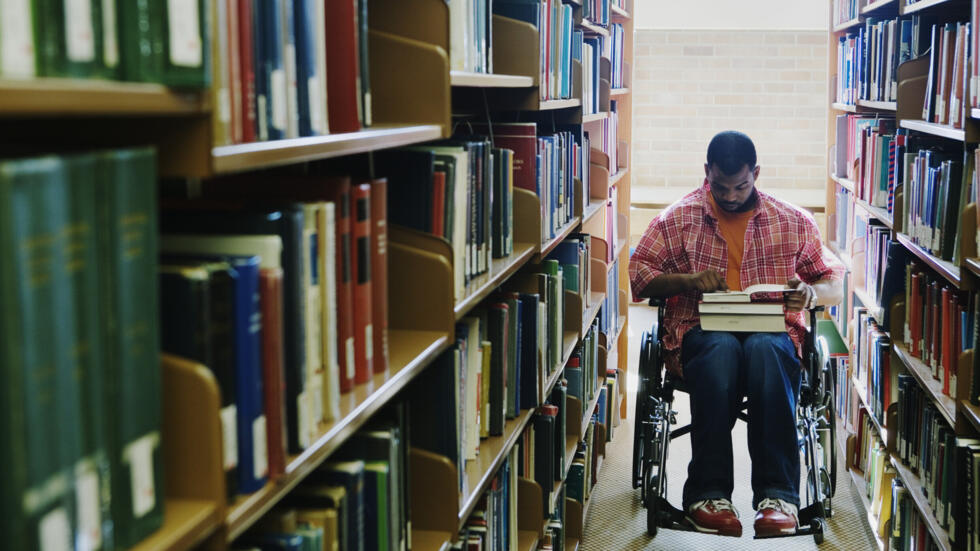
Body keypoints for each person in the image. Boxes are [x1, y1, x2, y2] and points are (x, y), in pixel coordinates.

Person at [628, 131, 843, 538]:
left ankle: (778, 498)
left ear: (756, 173)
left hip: (771, 334)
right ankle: (708, 495)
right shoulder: (676, 218)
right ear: (706, 172)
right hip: (702, 333)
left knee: (766, 348)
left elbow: (833, 280)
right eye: (720, 186)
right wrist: (689, 279)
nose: (729, 196)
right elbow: (639, 276)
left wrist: (812, 294)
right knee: (721, 349)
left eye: (741, 186)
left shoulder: (792, 220)